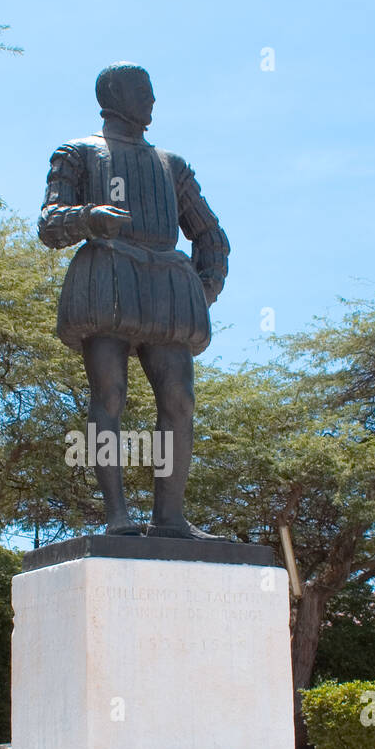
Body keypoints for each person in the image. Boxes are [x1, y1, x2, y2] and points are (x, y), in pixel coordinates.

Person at [38, 63, 230, 538]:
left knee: (180, 399)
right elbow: (49, 222)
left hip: (166, 287)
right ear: (113, 95)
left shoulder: (172, 165)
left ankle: (170, 518)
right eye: (143, 91)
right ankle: (117, 515)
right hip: (108, 279)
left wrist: (202, 289)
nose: (152, 100)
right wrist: (89, 218)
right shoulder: (78, 153)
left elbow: (210, 233)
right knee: (110, 394)